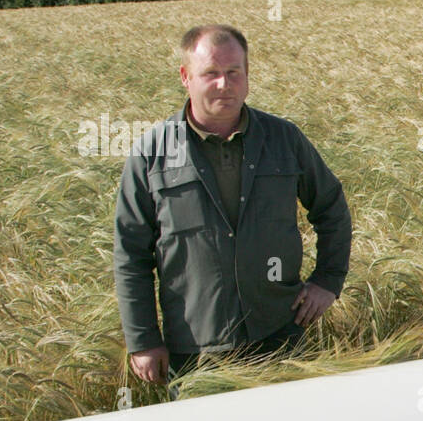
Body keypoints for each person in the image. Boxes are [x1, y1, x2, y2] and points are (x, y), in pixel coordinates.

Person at [114, 24, 352, 386]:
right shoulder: (152, 153)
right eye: (210, 73)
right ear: (185, 77)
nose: (224, 84)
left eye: (233, 72)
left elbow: (331, 207)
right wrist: (143, 339)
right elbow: (131, 254)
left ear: (247, 75)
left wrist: (328, 280)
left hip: (280, 336)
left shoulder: (283, 139)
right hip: (196, 349)